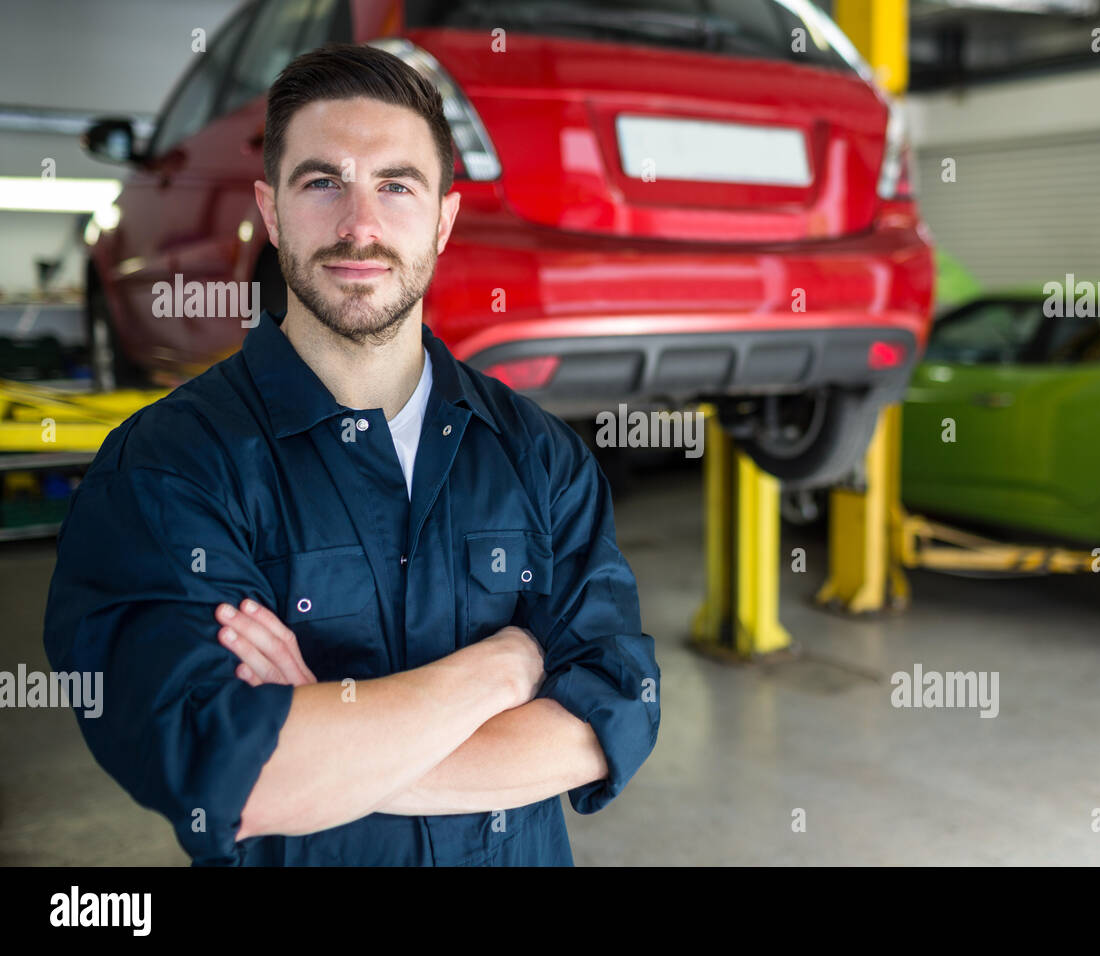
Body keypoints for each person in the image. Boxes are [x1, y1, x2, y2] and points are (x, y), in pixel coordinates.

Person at [42, 43, 660, 866]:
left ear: (443, 217)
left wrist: (327, 735)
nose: (359, 226)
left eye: (396, 185)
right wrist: (508, 665)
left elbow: (607, 722)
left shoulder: (540, 458)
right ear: (270, 208)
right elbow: (237, 778)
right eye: (322, 181)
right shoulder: (165, 472)